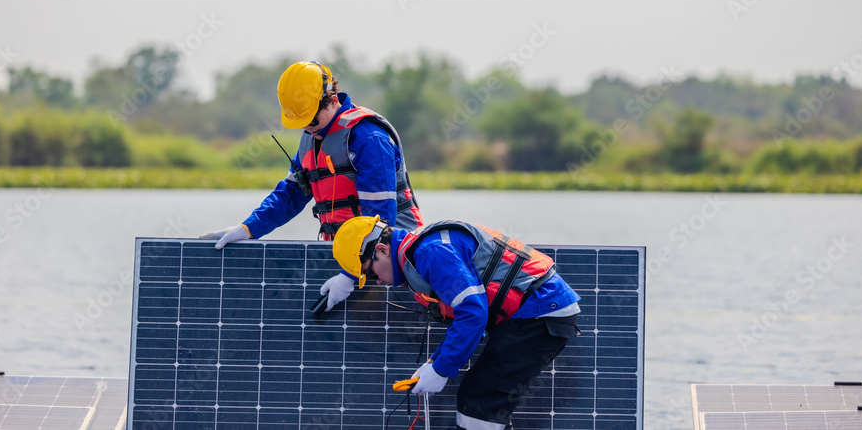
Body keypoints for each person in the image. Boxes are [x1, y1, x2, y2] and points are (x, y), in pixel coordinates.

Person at [201, 60, 424, 311]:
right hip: (349, 257)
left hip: (392, 261)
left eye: (311, 120)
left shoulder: (369, 138)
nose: (308, 128)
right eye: (302, 123)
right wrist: (247, 228)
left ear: (330, 100)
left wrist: (351, 275)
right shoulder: (311, 139)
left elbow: (380, 220)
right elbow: (290, 194)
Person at [332, 215, 580, 430]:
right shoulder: (419, 253)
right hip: (534, 313)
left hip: (541, 310)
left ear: (382, 250)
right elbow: (466, 318)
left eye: (370, 272)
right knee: (482, 399)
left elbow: (473, 313)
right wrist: (434, 363)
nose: (375, 281)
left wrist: (441, 370)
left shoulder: (431, 253)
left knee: (480, 399)